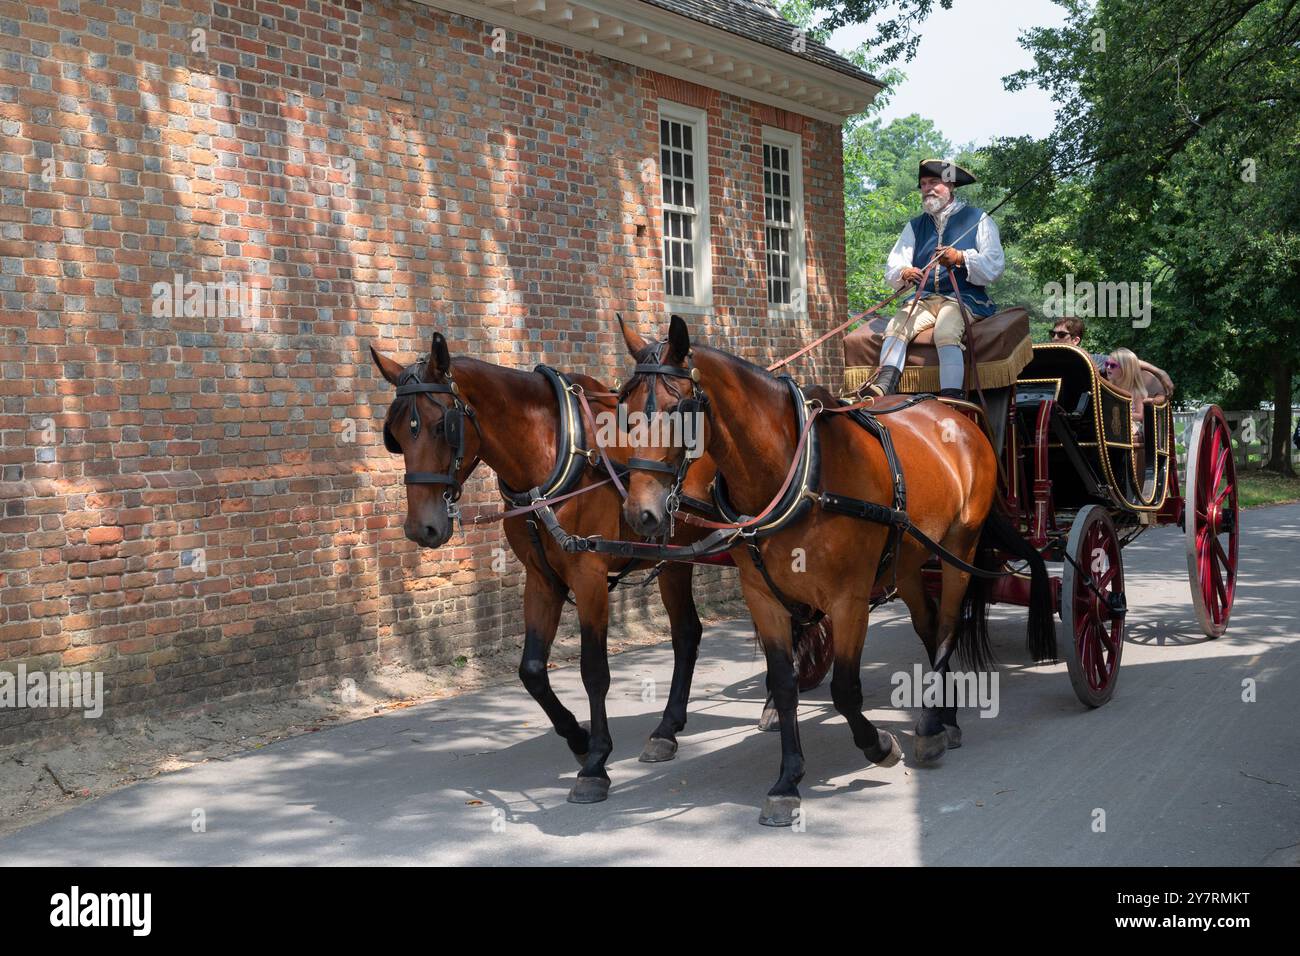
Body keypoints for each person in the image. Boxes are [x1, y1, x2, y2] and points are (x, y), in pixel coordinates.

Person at [863, 159, 1005, 401]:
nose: (927, 188)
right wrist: (905, 272)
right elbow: (894, 265)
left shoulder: (978, 219)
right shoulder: (915, 226)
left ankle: (952, 398)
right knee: (895, 327)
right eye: (923, 184)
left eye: (934, 182)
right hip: (925, 298)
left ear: (950, 185)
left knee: (946, 332)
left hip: (965, 298)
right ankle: (883, 388)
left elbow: (995, 265)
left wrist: (960, 257)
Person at [1049, 317, 1175, 397]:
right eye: (1052, 333)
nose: (1054, 338)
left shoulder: (1087, 359)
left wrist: (1160, 373)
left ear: (1075, 340)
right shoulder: (1045, 358)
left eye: (1061, 334)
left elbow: (1125, 361)